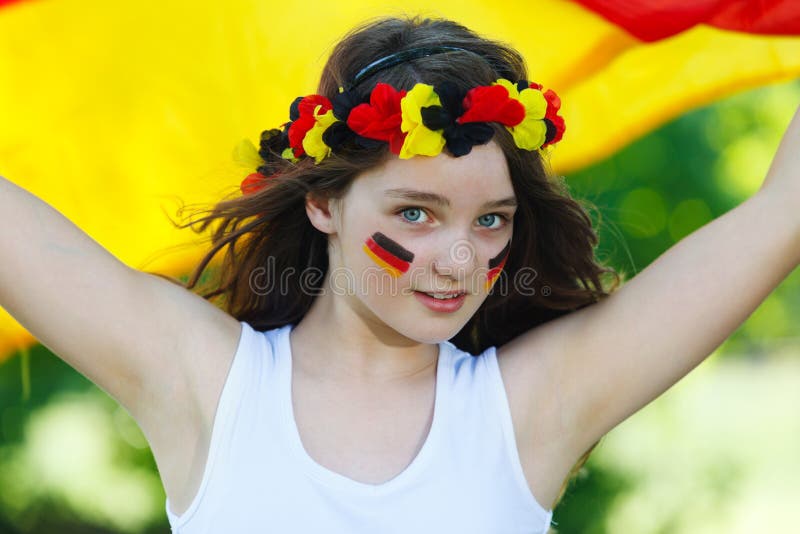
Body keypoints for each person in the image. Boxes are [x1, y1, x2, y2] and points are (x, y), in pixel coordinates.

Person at [1, 14, 798, 534]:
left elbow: (780, 214)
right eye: (415, 213)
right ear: (323, 205)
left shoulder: (529, 410)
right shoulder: (206, 386)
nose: (459, 261)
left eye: (491, 220)